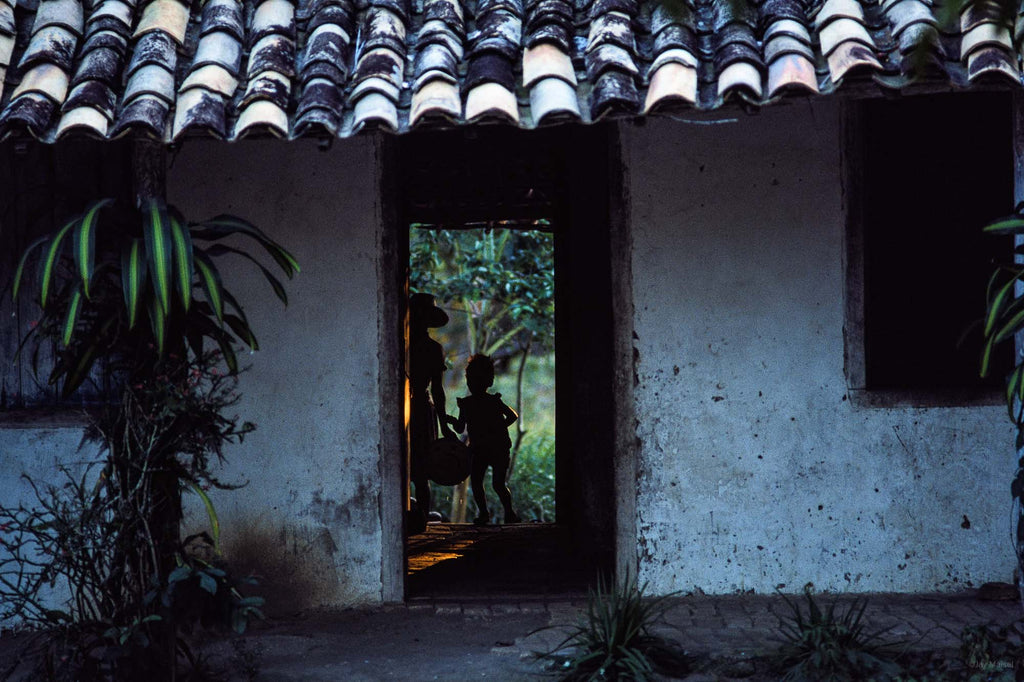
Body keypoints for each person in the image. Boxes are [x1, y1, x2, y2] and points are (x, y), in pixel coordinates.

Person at [446, 354, 521, 525]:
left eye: (476, 380)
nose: (473, 384)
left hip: (491, 449)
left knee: (489, 484)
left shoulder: (480, 403)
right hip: (488, 448)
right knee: (488, 484)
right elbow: (512, 416)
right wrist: (499, 428)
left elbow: (459, 428)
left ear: (488, 381)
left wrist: (450, 421)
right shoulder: (480, 403)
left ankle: (499, 513)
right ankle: (496, 514)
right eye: (471, 380)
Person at [409, 293, 455, 521]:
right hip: (420, 410)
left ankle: (420, 517)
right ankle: (422, 518)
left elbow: (437, 390)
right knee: (421, 471)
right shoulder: (432, 348)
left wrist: (444, 423)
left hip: (414, 410)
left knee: (417, 469)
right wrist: (444, 423)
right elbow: (437, 390)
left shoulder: (400, 345)